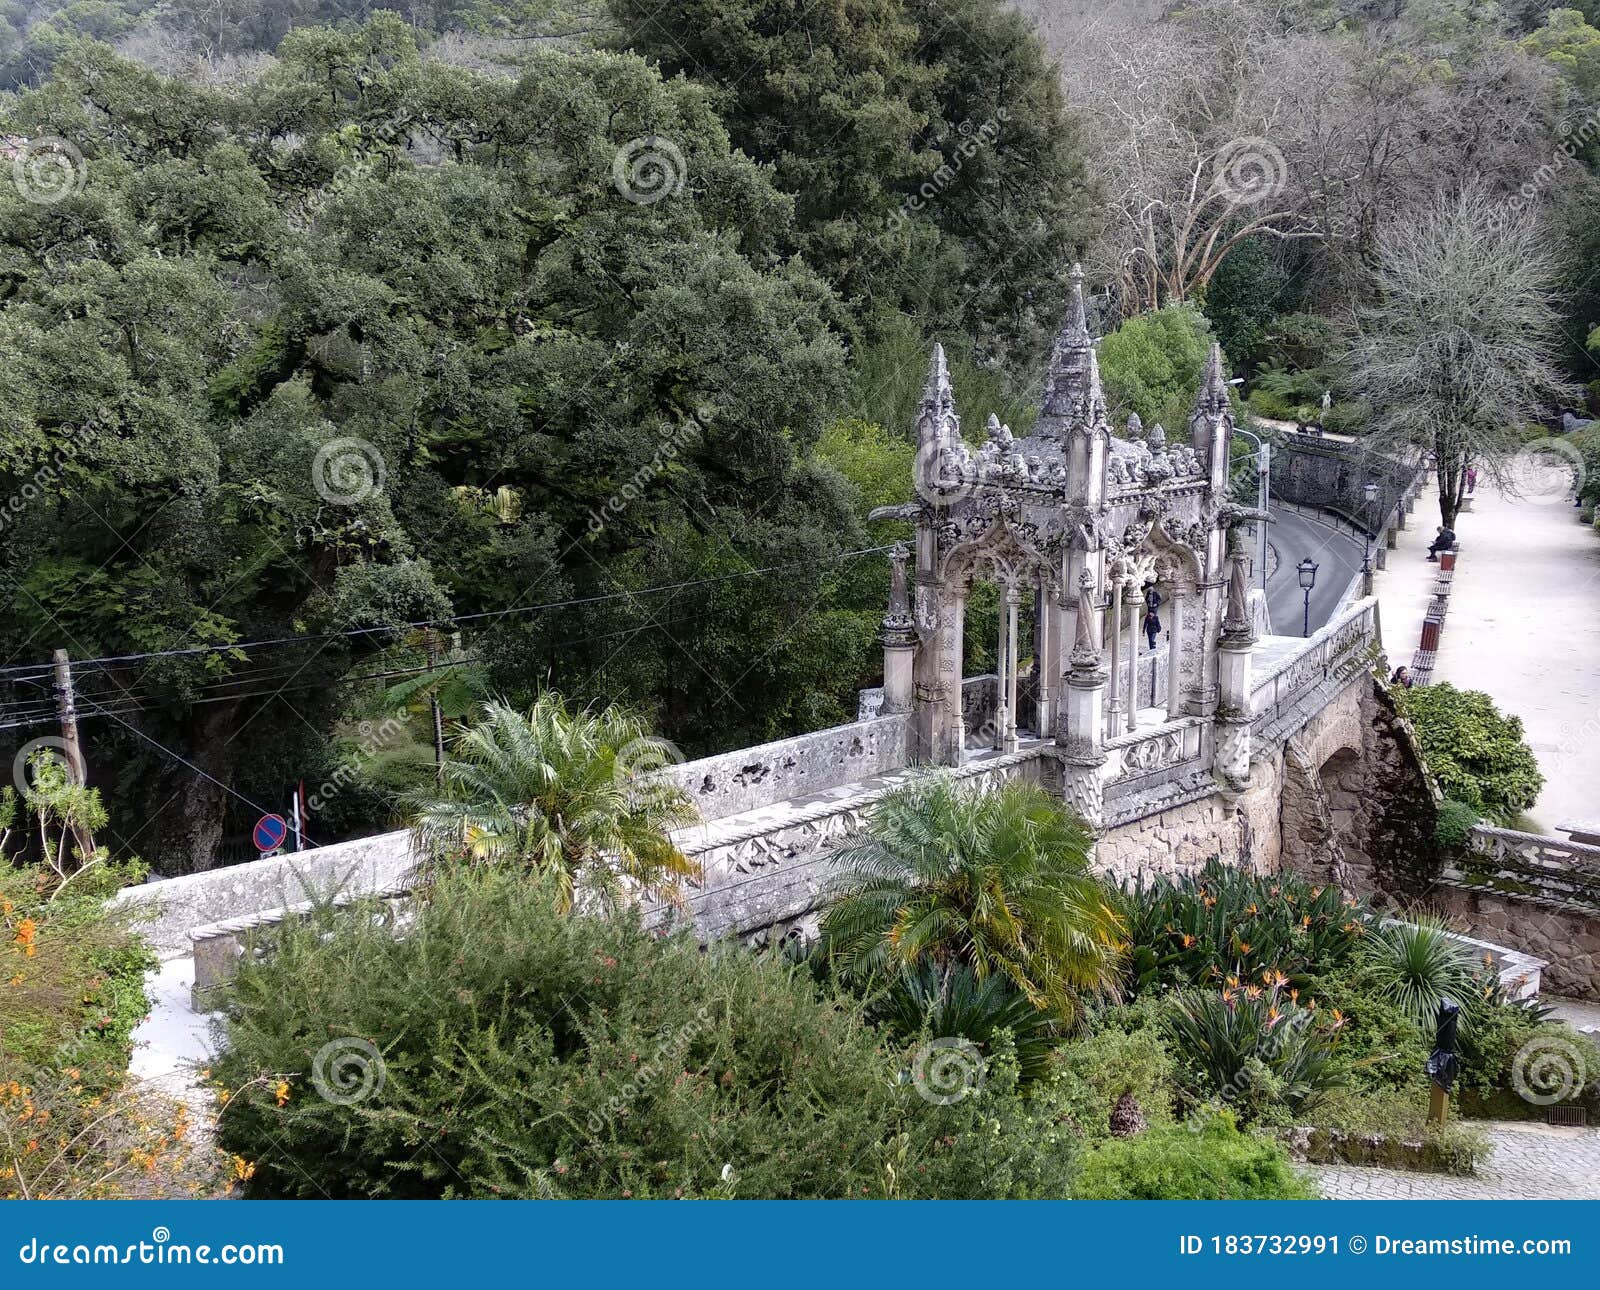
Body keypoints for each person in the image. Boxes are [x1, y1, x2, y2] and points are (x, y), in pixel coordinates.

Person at [1142, 585, 1162, 650]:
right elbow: (1145, 623)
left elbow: (1159, 599)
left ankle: (1153, 645)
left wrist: (1156, 604)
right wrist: (1148, 603)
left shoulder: (1155, 593)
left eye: (1151, 591)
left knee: (1152, 638)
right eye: (1149, 591)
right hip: (1150, 606)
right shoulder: (1147, 617)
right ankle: (1152, 647)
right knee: (1150, 639)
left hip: (1154, 607)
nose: (1150, 592)